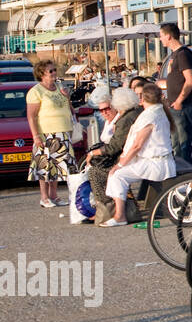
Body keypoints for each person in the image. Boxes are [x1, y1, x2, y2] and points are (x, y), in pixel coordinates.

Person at [102, 83, 176, 226]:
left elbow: (137, 145)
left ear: (142, 99)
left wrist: (120, 164)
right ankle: (121, 213)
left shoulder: (150, 116)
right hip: (161, 161)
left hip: (155, 164)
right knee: (119, 174)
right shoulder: (159, 111)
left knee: (117, 175)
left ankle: (120, 216)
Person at [87, 87, 143, 221]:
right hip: (131, 155)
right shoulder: (134, 113)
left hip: (129, 157)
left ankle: (108, 208)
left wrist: (94, 153)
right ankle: (110, 207)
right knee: (97, 167)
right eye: (102, 110)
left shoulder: (124, 120)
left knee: (95, 172)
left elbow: (114, 147)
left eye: (109, 107)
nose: (106, 112)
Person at [26, 59, 75, 209]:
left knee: (58, 166)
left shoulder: (60, 87)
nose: (54, 73)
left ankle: (54, 195)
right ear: (42, 74)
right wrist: (35, 136)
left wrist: (67, 97)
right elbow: (31, 116)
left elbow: (70, 109)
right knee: (45, 166)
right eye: (51, 71)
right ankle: (44, 197)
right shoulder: (36, 91)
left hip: (63, 131)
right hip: (46, 133)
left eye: (54, 70)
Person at [159, 22, 192, 166]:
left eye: (161, 36)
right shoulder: (174, 55)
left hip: (182, 106)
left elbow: (190, 81)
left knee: (184, 144)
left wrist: (179, 101)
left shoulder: (183, 54)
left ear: (169, 36)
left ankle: (188, 176)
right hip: (173, 105)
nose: (160, 39)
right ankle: (180, 174)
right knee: (175, 144)